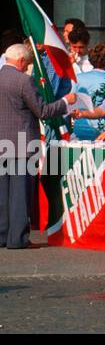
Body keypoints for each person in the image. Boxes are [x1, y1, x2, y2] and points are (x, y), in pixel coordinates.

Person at [0, 44, 72, 249]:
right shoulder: (24, 80)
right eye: (28, 63)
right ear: (21, 61)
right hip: (22, 145)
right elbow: (42, 111)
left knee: (3, 194)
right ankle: (18, 239)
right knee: (21, 194)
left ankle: (2, 235)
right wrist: (66, 102)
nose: (28, 67)